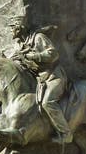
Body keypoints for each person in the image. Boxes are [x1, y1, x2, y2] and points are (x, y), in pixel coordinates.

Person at [7, 16, 73, 146]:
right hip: (38, 80)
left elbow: (53, 54)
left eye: (12, 27)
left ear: (20, 27)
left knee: (47, 102)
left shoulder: (38, 38)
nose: (10, 30)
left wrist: (34, 56)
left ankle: (66, 134)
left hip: (53, 77)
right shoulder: (19, 45)